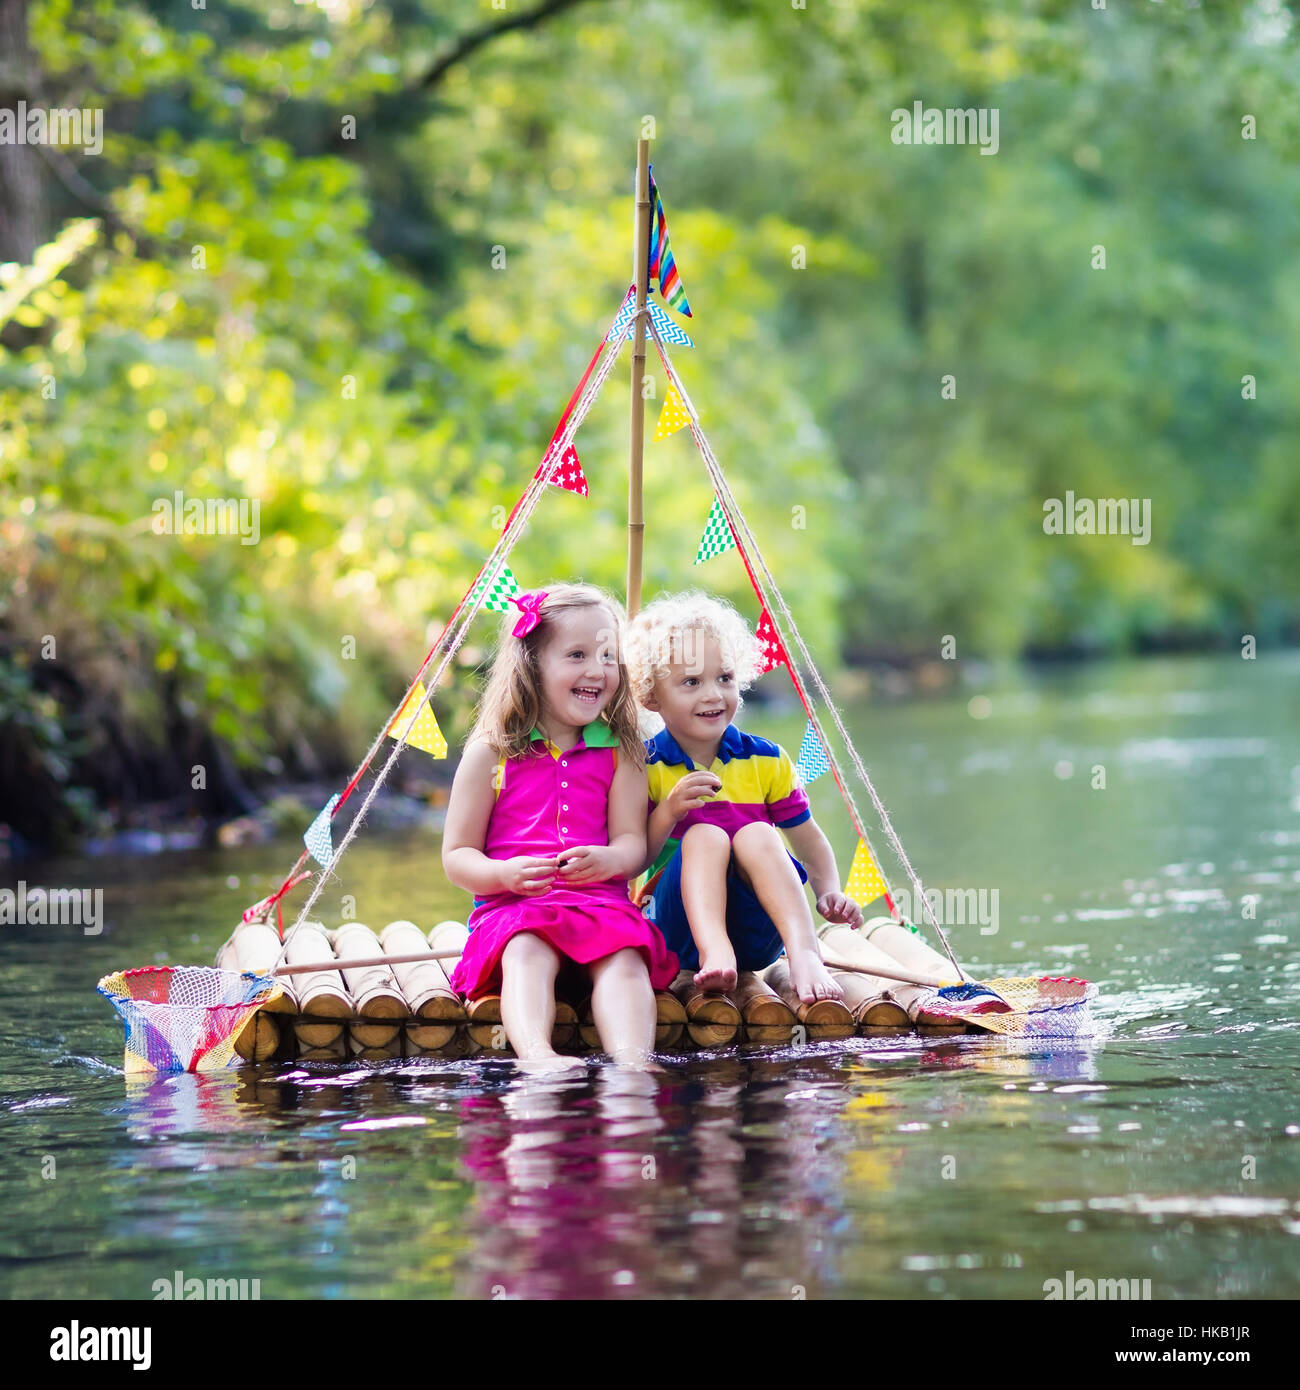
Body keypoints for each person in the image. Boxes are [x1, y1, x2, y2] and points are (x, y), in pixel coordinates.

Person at [442, 582, 679, 1071]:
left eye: (609, 656)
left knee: (626, 959)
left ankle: (634, 1061)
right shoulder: (493, 750)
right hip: (517, 908)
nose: (597, 670)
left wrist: (611, 860)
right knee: (526, 950)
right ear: (532, 664)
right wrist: (504, 876)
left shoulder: (622, 752)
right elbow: (458, 856)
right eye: (576, 655)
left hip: (600, 907)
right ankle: (537, 1056)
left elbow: (633, 843)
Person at [625, 590, 847, 1004]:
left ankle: (804, 951)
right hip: (678, 935)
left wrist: (829, 890)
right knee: (704, 836)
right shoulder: (642, 765)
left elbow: (808, 838)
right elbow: (630, 861)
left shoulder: (767, 760)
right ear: (651, 695)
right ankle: (714, 950)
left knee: (758, 833)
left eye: (724, 678)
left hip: (754, 935)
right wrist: (669, 812)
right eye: (691, 682)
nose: (713, 694)